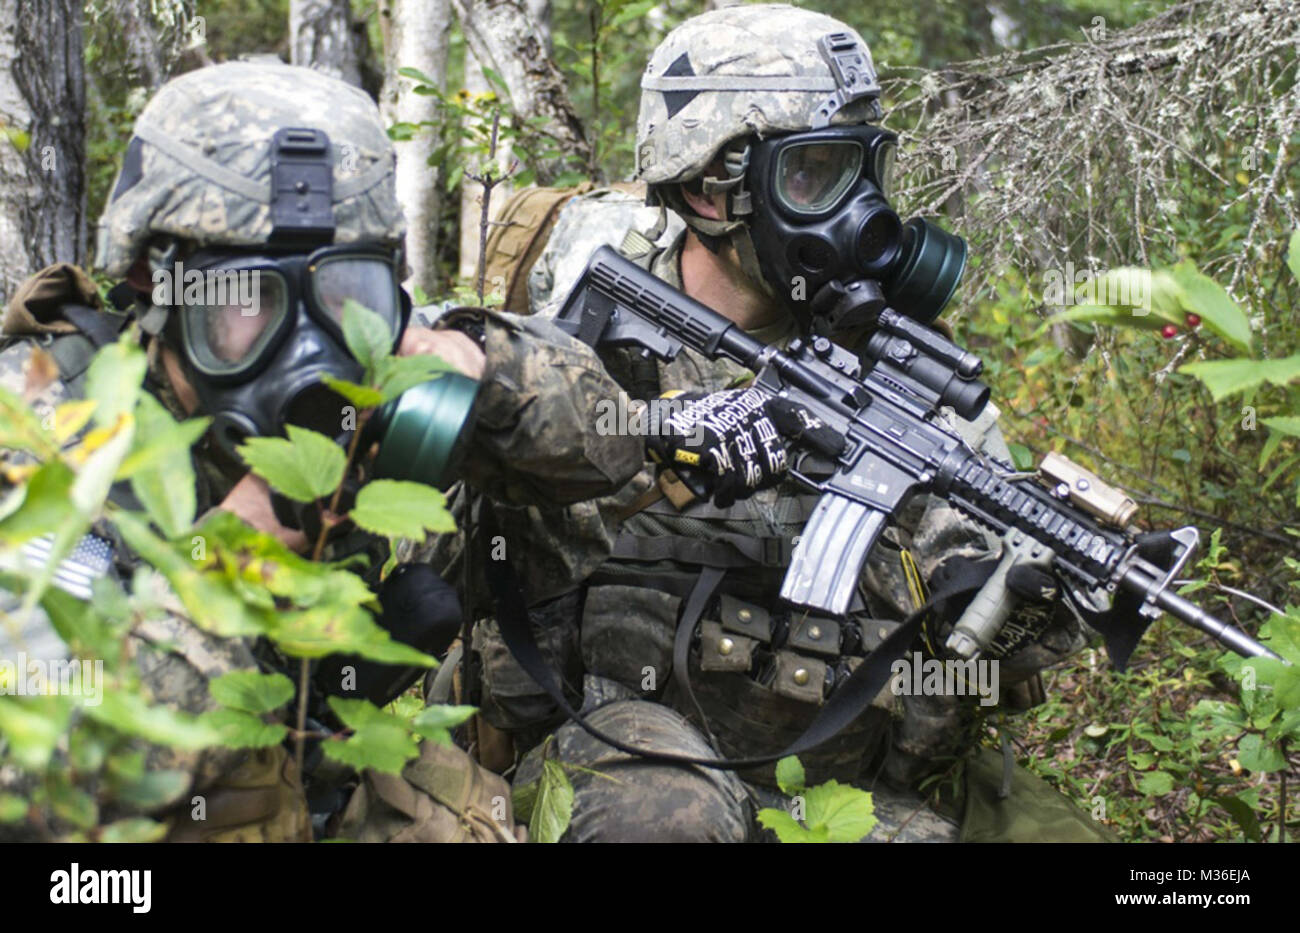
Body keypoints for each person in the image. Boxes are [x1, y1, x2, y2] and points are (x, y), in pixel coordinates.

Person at [436, 4, 1117, 842]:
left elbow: (982, 608)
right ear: (707, 191)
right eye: (816, 174)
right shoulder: (583, 330)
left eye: (867, 170)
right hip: (628, 743)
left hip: (837, 771)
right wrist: (656, 444)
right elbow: (442, 554)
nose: (860, 211)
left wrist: (1007, 601)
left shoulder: (898, 354)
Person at [0, 60, 642, 842]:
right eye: (242, 300)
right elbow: (31, 786)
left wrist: (483, 368)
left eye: (345, 293)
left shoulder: (369, 377)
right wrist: (225, 581)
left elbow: (610, 446)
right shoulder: (46, 440)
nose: (306, 350)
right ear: (153, 283)